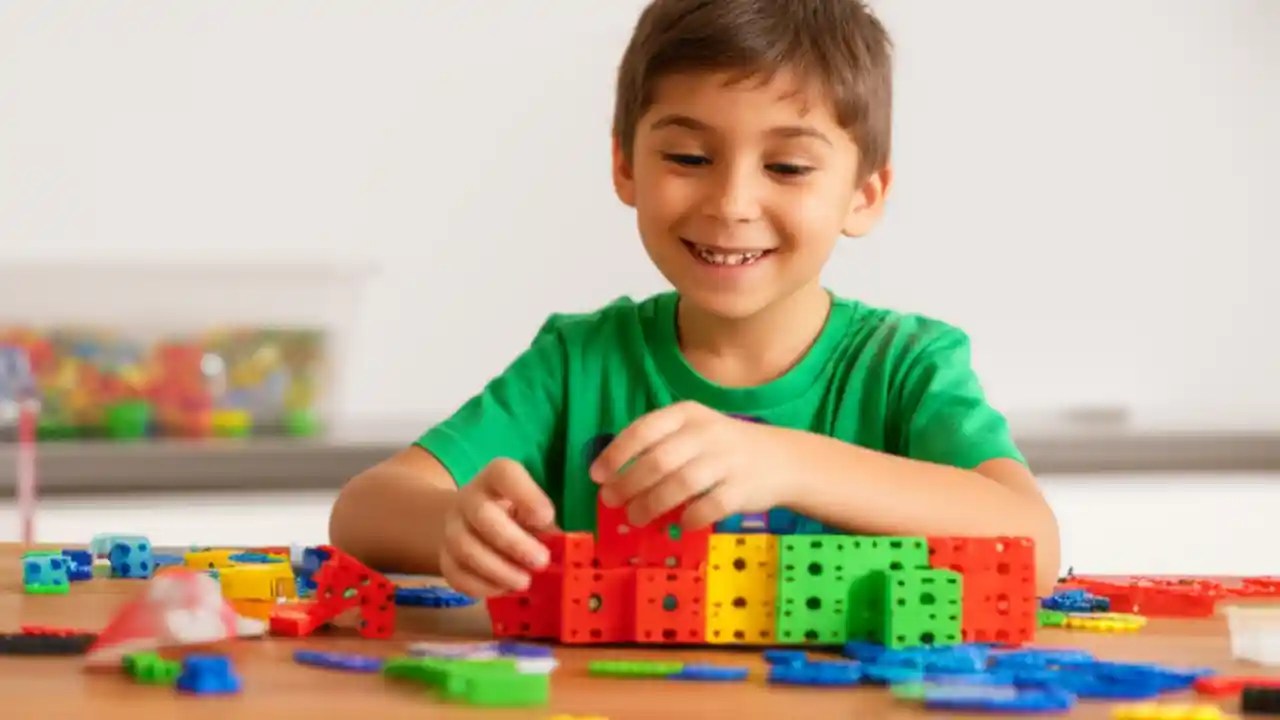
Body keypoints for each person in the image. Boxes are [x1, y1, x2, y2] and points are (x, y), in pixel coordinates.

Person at [329, 0, 1061, 597]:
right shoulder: (577, 362)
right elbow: (363, 508)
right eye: (688, 157)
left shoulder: (907, 367)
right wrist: (453, 525)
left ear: (863, 196)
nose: (732, 203)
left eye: (788, 166)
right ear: (625, 166)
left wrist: (788, 462)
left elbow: (1032, 548)